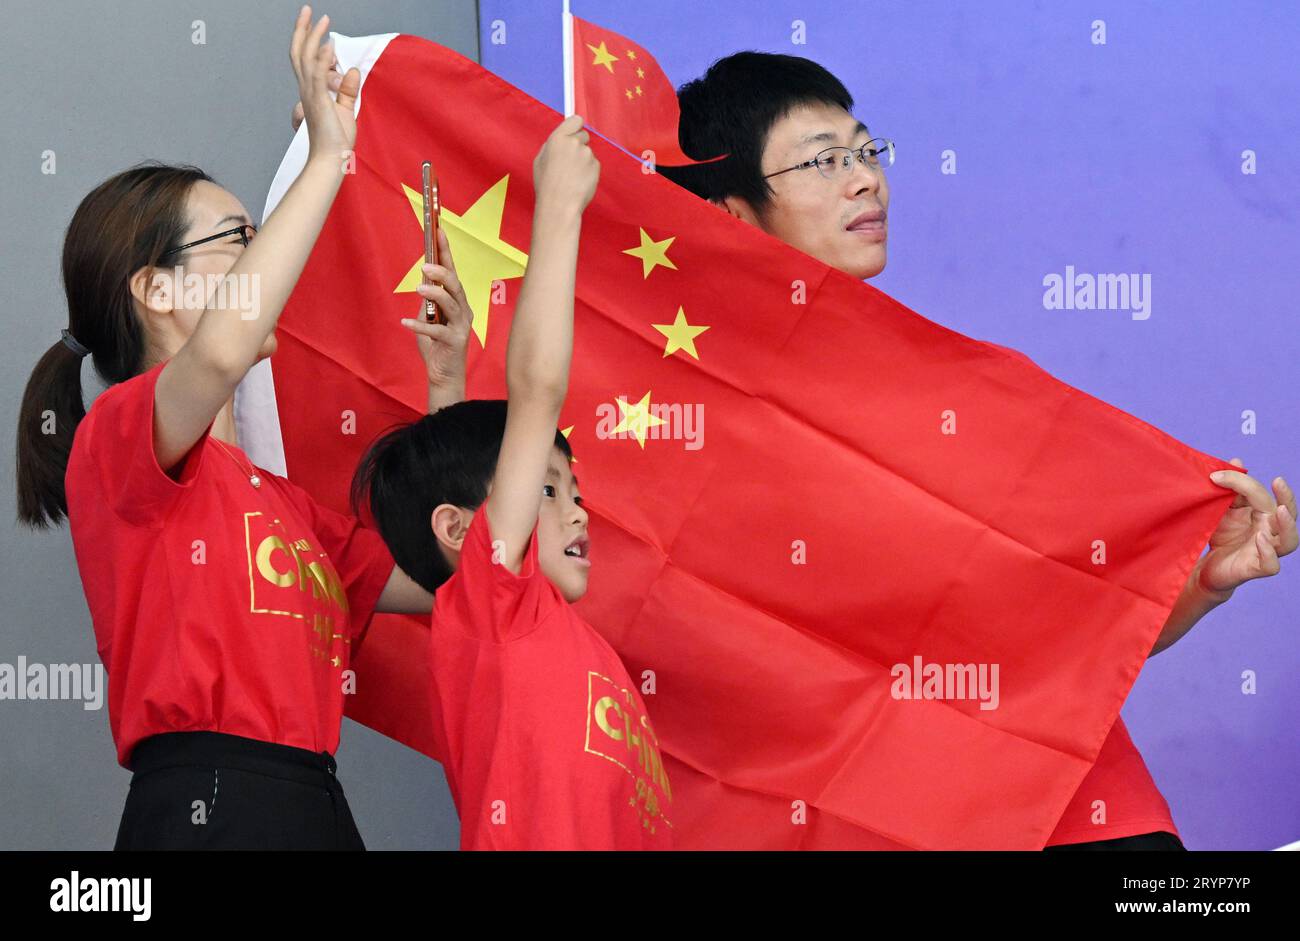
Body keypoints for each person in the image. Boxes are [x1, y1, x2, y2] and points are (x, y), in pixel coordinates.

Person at [658, 51, 1297, 850]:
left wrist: (1205, 581)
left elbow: (1066, 640)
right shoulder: (680, 435)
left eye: (865, 151)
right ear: (731, 213)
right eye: (825, 161)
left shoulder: (967, 397)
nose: (866, 181)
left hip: (1073, 807)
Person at [13, 6, 471, 849]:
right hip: (210, 802)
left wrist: (448, 388)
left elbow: (451, 560)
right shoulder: (116, 436)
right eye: (240, 240)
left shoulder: (288, 508)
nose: (270, 260)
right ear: (157, 290)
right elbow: (219, 355)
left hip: (315, 803)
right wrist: (331, 156)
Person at [351, 113, 672, 849]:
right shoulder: (500, 604)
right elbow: (536, 391)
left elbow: (468, 498)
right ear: (463, 529)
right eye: (548, 489)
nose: (579, 511)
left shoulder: (530, 621)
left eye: (572, 490)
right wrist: (557, 211)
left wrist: (448, 386)